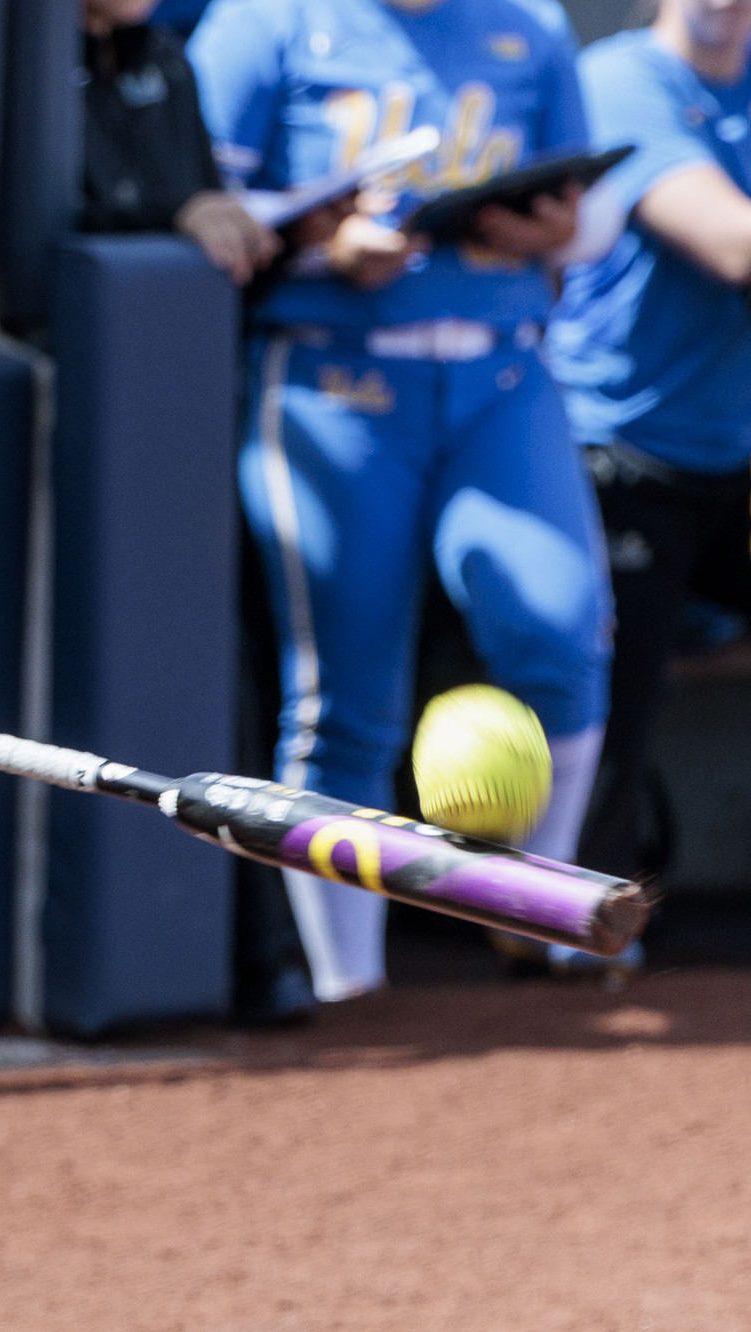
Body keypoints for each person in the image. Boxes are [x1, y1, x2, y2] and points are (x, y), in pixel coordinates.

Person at [188, 0, 618, 999]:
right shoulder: (264, 23)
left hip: (501, 376)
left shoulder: (528, 22)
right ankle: (346, 985)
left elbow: (592, 215)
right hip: (334, 377)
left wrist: (550, 225)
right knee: (343, 693)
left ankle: (536, 919)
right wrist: (318, 242)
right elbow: (199, 203)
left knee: (559, 627)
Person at [547, 0, 751, 887]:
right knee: (614, 699)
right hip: (619, 460)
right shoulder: (619, 80)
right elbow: (733, 243)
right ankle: (579, 928)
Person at [80, 0, 282, 285]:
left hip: (169, 310)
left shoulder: (165, 58)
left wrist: (292, 240)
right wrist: (176, 213)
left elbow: (223, 254)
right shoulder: (23, 65)